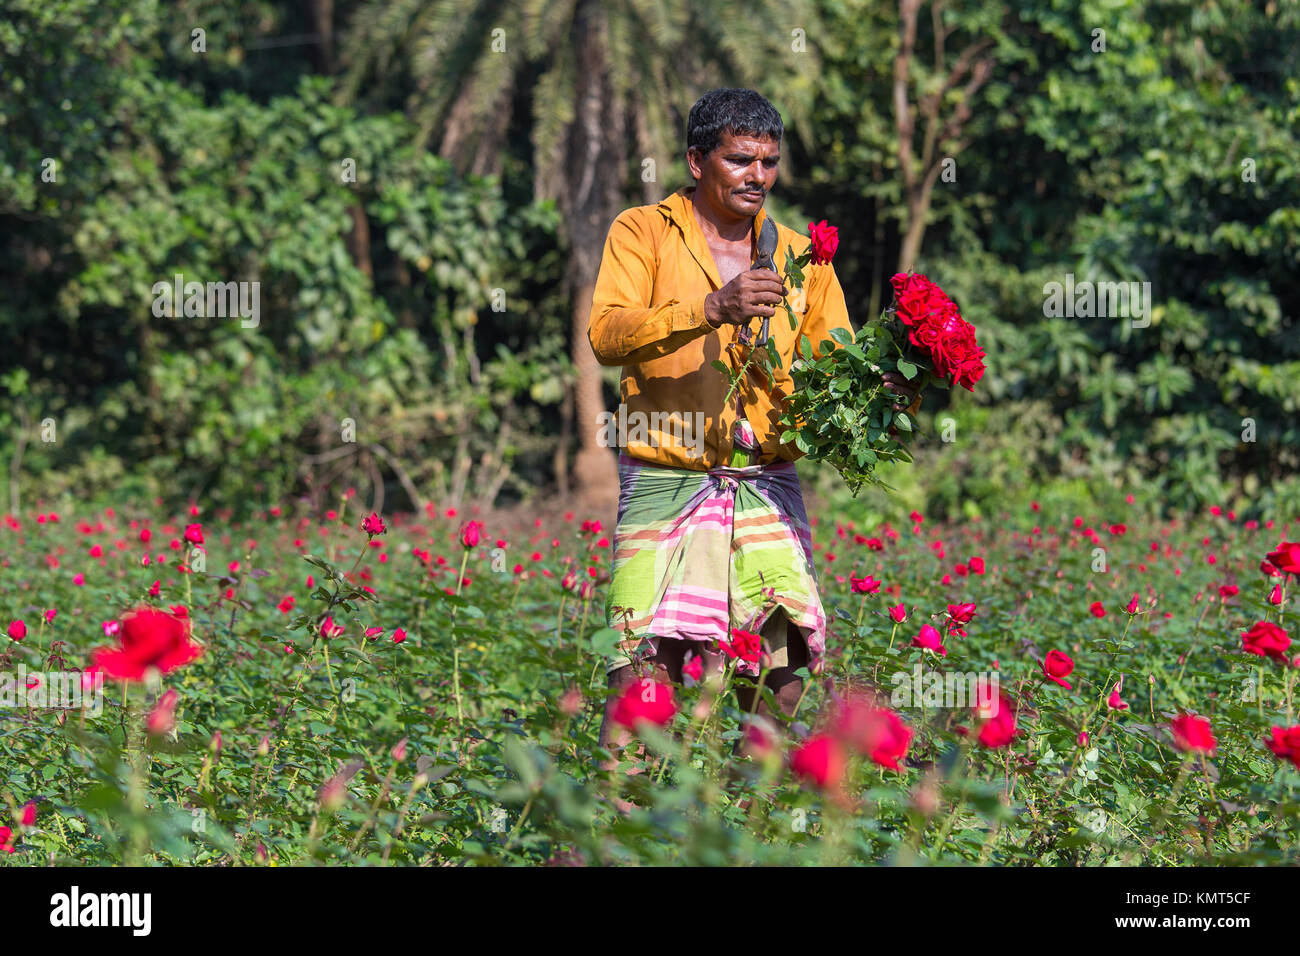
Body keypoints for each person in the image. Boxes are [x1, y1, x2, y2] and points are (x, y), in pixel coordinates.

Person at [586, 88, 920, 765]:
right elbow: (606, 334)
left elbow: (834, 367)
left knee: (780, 672)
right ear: (695, 160)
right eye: (740, 160)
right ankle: (618, 821)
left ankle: (752, 820)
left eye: (768, 162)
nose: (757, 177)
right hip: (665, 477)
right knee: (643, 672)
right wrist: (710, 307)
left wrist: (883, 389)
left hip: (765, 482)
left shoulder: (803, 257)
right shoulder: (642, 231)